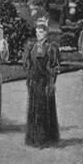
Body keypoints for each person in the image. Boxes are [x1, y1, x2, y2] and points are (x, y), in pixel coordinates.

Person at [22, 17, 61, 147]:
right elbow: (27, 63)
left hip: (44, 80)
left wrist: (51, 81)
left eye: (42, 32)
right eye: (38, 32)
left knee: (44, 109)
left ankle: (45, 138)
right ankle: (34, 137)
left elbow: (54, 66)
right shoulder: (32, 46)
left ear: (47, 33)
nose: (39, 34)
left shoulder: (51, 47)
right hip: (34, 80)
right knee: (34, 109)